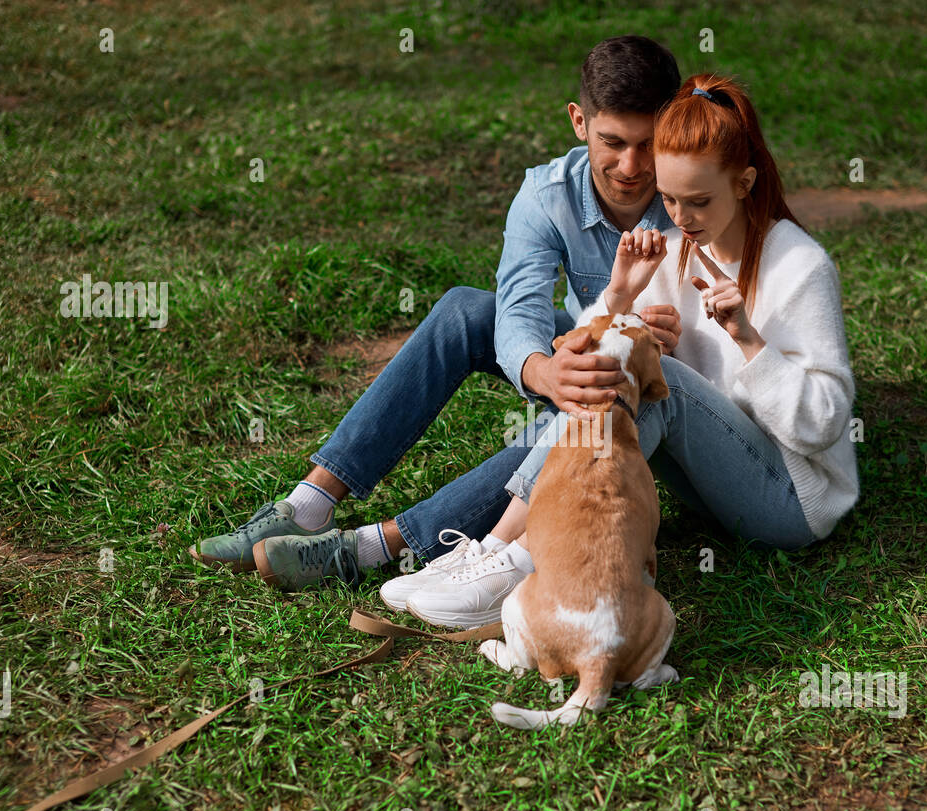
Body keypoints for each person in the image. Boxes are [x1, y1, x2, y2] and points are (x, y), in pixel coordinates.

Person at [188, 36, 683, 596]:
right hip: (579, 357)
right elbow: (518, 305)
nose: (632, 166)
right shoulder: (547, 194)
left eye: (649, 145)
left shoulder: (691, 195)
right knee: (466, 309)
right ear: (578, 122)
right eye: (612, 142)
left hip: (663, 400)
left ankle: (374, 548)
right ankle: (310, 502)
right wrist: (543, 371)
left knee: (580, 412)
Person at [400, 74, 860, 629]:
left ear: (744, 182)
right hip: (708, 484)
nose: (681, 220)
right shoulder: (677, 248)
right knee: (616, 368)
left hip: (791, 501)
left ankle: (518, 559)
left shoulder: (800, 267)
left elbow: (823, 426)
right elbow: (595, 359)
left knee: (653, 380)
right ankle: (498, 550)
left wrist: (747, 339)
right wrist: (620, 294)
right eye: (667, 199)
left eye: (698, 201)